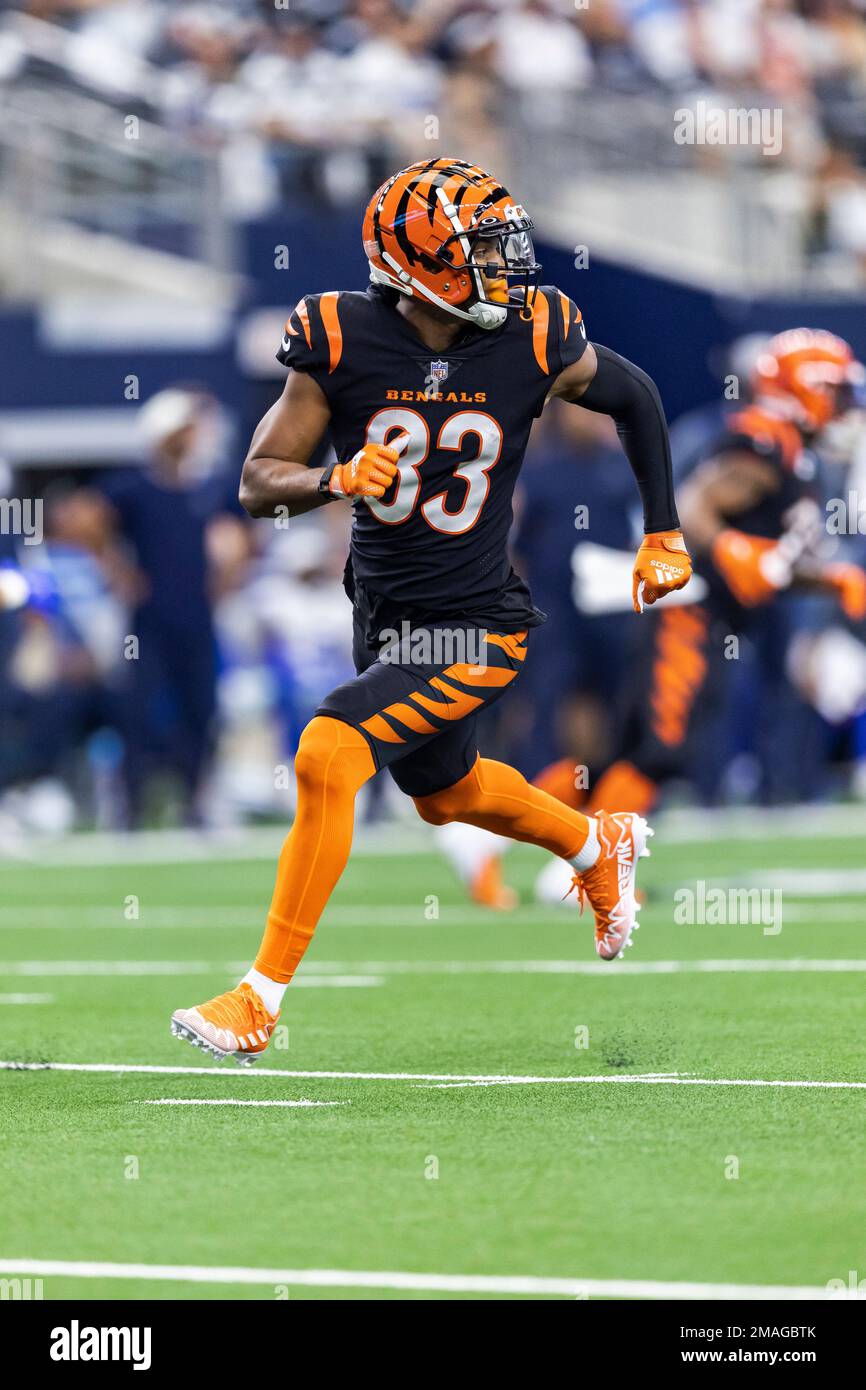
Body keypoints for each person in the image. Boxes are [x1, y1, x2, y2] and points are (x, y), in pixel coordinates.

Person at [170, 156, 692, 1063]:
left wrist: (663, 531)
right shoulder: (339, 335)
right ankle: (593, 846)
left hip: (481, 619)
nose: (503, 266)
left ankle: (259, 999)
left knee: (327, 753)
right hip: (385, 613)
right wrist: (331, 479)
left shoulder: (533, 334)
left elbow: (636, 397)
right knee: (446, 795)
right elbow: (258, 481)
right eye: (480, 249)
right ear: (419, 263)